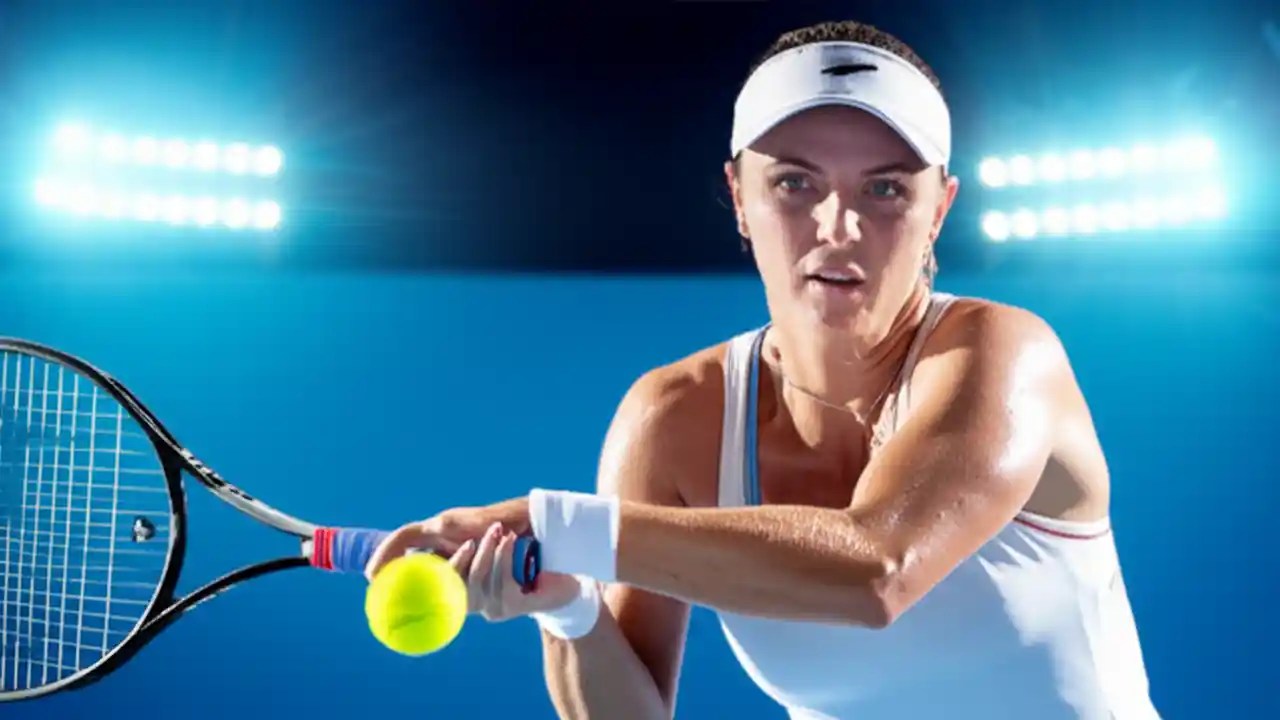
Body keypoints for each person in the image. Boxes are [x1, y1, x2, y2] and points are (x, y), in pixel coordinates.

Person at [366, 20, 1160, 720]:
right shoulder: (673, 418)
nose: (838, 226)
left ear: (939, 210)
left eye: (885, 188)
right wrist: (571, 608)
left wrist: (558, 527)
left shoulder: (1003, 353)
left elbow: (876, 571)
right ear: (739, 197)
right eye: (794, 183)